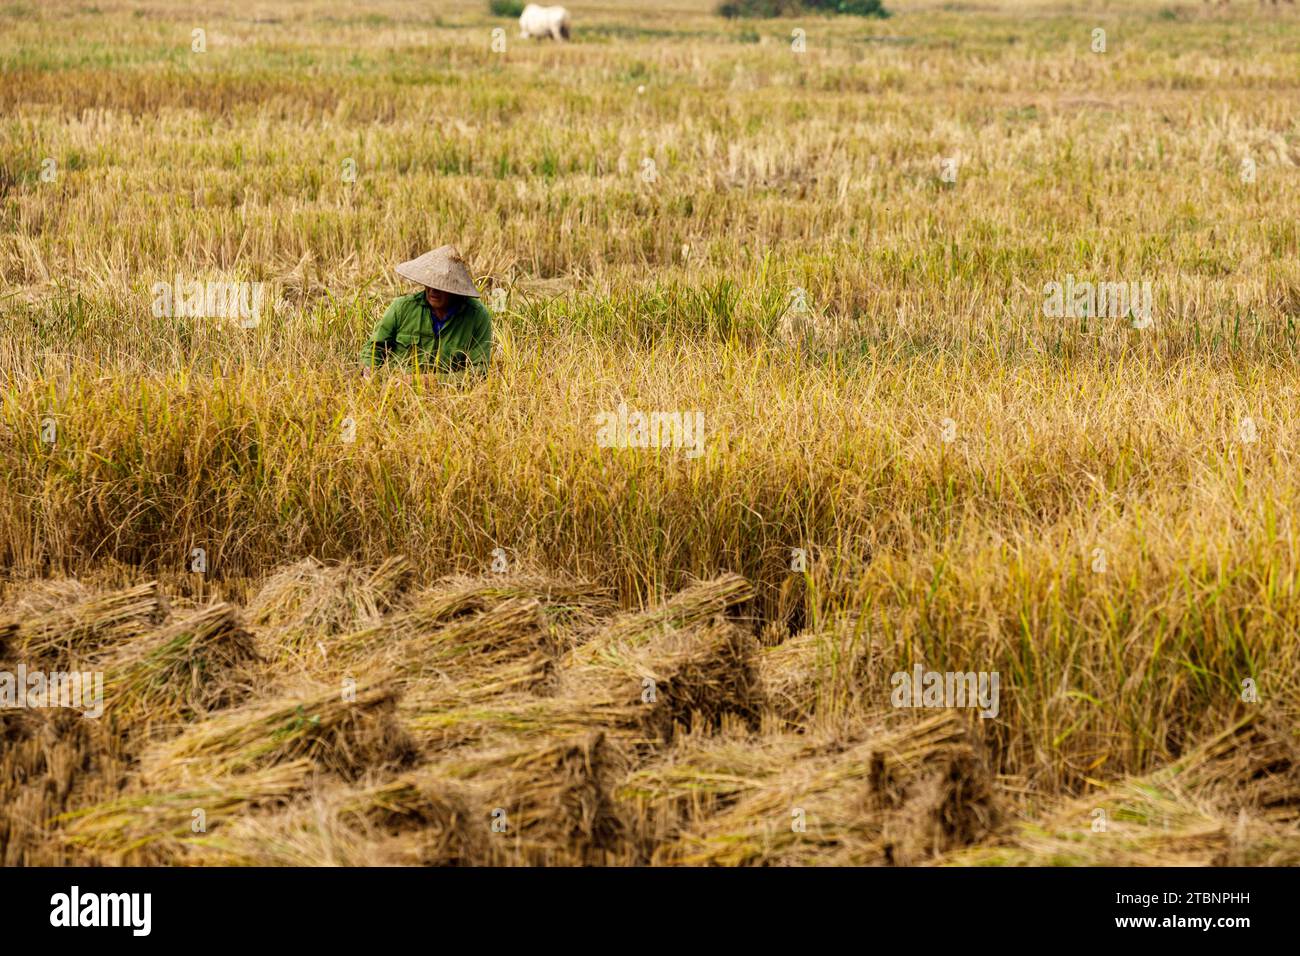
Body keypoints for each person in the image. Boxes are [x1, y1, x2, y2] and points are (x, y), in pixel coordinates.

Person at [360, 245, 492, 379]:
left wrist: (430, 381)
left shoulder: (477, 316)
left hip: (447, 396)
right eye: (430, 283)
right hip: (399, 391)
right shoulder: (401, 308)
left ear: (455, 289)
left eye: (441, 286)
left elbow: (479, 372)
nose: (433, 290)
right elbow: (374, 348)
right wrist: (369, 370)